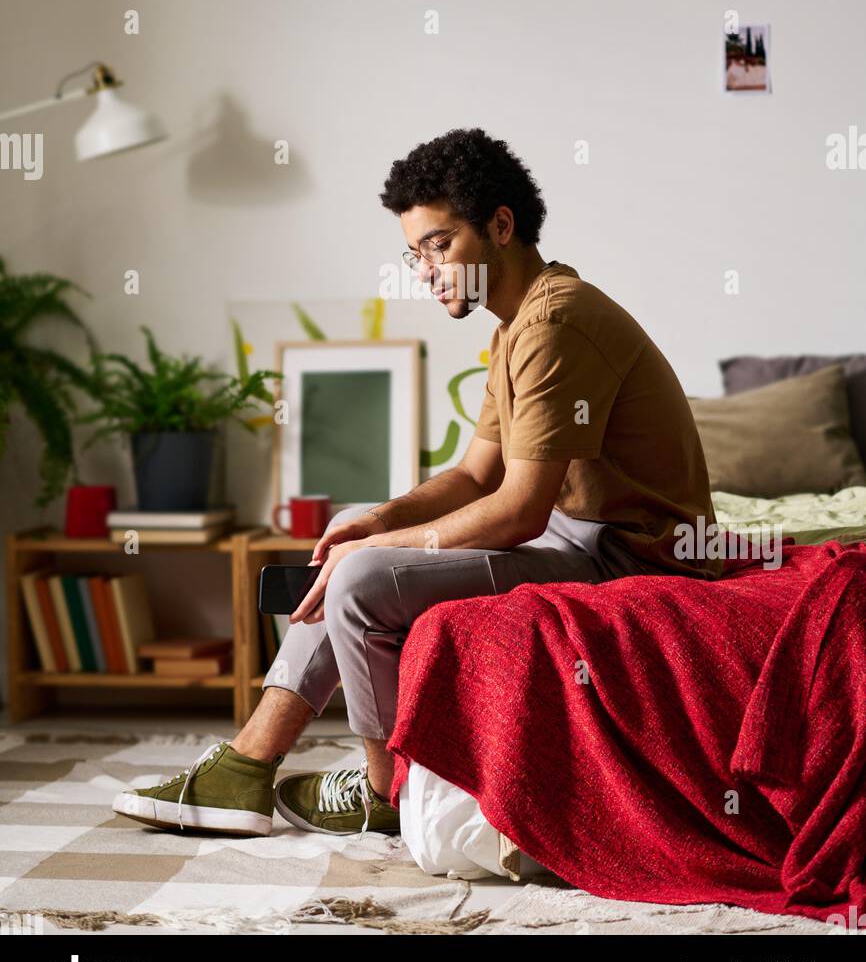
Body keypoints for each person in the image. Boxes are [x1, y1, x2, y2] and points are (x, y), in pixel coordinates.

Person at [112, 127, 717, 840]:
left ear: (500, 226)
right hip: (577, 536)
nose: (425, 269)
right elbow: (472, 475)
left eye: (440, 244)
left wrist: (375, 551)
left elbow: (519, 510)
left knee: (362, 578)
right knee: (358, 531)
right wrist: (378, 521)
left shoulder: (557, 322)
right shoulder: (518, 324)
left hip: (628, 556)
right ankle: (246, 767)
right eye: (415, 252)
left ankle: (384, 792)